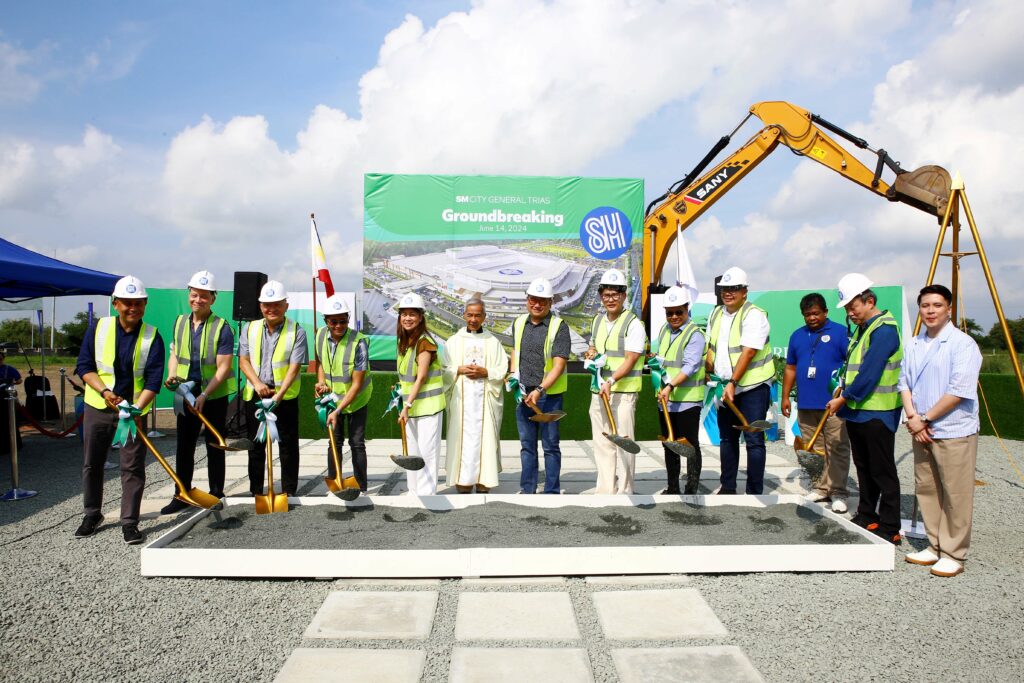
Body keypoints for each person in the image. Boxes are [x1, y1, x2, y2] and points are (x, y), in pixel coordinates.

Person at [899, 284, 982, 577]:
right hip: (920, 429)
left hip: (952, 428)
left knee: (956, 492)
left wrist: (924, 418)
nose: (930, 311)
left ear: (949, 309)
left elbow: (958, 390)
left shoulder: (963, 344)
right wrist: (913, 417)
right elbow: (904, 383)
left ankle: (953, 552)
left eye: (937, 305)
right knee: (927, 488)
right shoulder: (914, 343)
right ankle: (934, 545)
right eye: (925, 306)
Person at [74, 276, 165, 544]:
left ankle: (129, 522)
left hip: (134, 410)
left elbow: (153, 379)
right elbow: (85, 366)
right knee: (92, 463)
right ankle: (92, 514)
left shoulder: (152, 335)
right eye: (127, 303)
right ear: (116, 304)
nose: (132, 308)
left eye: (138, 303)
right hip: (98, 405)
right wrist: (104, 391)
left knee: (133, 466)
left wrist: (137, 408)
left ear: (145, 304)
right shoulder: (98, 328)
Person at [826, 273, 903, 545]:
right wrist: (841, 388)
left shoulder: (884, 329)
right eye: (847, 308)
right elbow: (854, 367)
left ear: (869, 300)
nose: (850, 312)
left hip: (878, 412)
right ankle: (867, 514)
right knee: (863, 466)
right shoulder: (863, 329)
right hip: (859, 411)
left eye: (852, 306)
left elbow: (870, 374)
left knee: (882, 470)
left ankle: (890, 524)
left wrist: (844, 397)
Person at [160, 271, 236, 514]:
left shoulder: (223, 327)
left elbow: (224, 368)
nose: (198, 300)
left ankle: (216, 494)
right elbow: (175, 353)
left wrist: (205, 395)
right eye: (194, 295)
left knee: (215, 445)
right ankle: (181, 493)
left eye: (204, 296)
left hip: (213, 396)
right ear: (189, 295)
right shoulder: (180, 321)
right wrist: (172, 374)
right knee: (184, 446)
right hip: (185, 393)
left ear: (213, 298)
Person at [781, 292, 852, 513]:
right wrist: (784, 396)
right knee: (815, 449)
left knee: (837, 447)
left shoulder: (841, 332)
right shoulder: (797, 335)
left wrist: (844, 395)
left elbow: (850, 366)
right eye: (807, 314)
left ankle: (838, 491)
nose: (812, 318)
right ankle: (821, 488)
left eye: (816, 313)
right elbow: (791, 367)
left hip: (833, 403)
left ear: (825, 312)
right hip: (806, 402)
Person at [705, 266, 773, 495]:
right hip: (725, 386)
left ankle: (754, 491)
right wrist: (709, 370)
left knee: (754, 440)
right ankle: (728, 487)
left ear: (745, 291)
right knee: (727, 439)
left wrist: (733, 382)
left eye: (734, 288)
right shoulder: (716, 314)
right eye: (725, 289)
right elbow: (712, 348)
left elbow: (749, 352)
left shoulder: (754, 315)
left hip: (752, 388)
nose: (728, 293)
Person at [239, 280, 307, 496]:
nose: (271, 309)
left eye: (277, 304)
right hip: (256, 395)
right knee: (256, 446)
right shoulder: (249, 328)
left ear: (286, 305)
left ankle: (288, 491)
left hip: (283, 397)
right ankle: (256, 491)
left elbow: (294, 367)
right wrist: (258, 384)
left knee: (287, 446)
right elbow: (244, 361)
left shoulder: (297, 331)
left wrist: (279, 394)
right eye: (267, 304)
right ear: (260, 306)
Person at [586, 268, 647, 495]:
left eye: (615, 295)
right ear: (601, 295)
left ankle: (625, 489)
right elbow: (593, 346)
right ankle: (605, 489)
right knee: (602, 443)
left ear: (623, 296)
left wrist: (611, 380)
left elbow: (631, 359)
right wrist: (590, 354)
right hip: (599, 390)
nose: (610, 299)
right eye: (606, 295)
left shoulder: (633, 324)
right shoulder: (598, 320)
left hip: (622, 392)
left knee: (624, 442)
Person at [509, 278, 570, 494]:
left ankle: (552, 491)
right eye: (533, 299)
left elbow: (559, 365)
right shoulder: (518, 323)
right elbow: (515, 351)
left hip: (548, 396)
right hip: (524, 395)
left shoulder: (558, 327)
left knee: (550, 447)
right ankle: (528, 490)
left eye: (543, 301)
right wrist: (513, 376)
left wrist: (540, 390)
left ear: (551, 302)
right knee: (527, 446)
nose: (537, 304)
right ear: (527, 299)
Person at [443, 299, 508, 493]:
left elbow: (502, 368)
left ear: (484, 317)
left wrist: (486, 372)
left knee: (486, 437)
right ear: (464, 315)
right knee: (460, 438)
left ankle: (483, 480)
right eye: (470, 315)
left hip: (485, 400)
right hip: (460, 401)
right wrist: (459, 369)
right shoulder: (453, 342)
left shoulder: (493, 342)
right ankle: (462, 480)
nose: (473, 319)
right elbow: (444, 369)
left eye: (477, 315)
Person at [653, 286, 706, 494]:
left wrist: (670, 386)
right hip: (666, 400)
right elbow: (664, 360)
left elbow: (690, 366)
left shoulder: (695, 334)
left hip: (687, 400)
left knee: (690, 446)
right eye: (669, 313)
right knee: (669, 444)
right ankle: (672, 487)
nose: (673, 316)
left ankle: (692, 487)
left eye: (678, 312)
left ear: (687, 309)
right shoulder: (664, 331)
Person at [319, 294, 372, 492]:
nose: (338, 325)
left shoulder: (360, 343)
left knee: (357, 443)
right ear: (326, 321)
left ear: (348, 319)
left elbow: (357, 384)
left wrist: (338, 410)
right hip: (333, 400)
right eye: (333, 321)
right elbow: (322, 363)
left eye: (343, 321)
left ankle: (361, 486)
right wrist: (321, 381)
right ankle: (335, 484)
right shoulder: (320, 335)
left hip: (356, 400)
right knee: (334, 441)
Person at [396, 292, 446, 495]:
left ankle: (427, 493)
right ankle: (413, 490)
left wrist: (406, 406)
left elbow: (422, 377)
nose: (407, 318)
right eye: (404, 314)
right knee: (413, 452)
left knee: (427, 452)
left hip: (428, 408)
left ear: (421, 317)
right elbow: (408, 377)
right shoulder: (404, 343)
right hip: (411, 407)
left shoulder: (424, 342)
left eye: (412, 314)